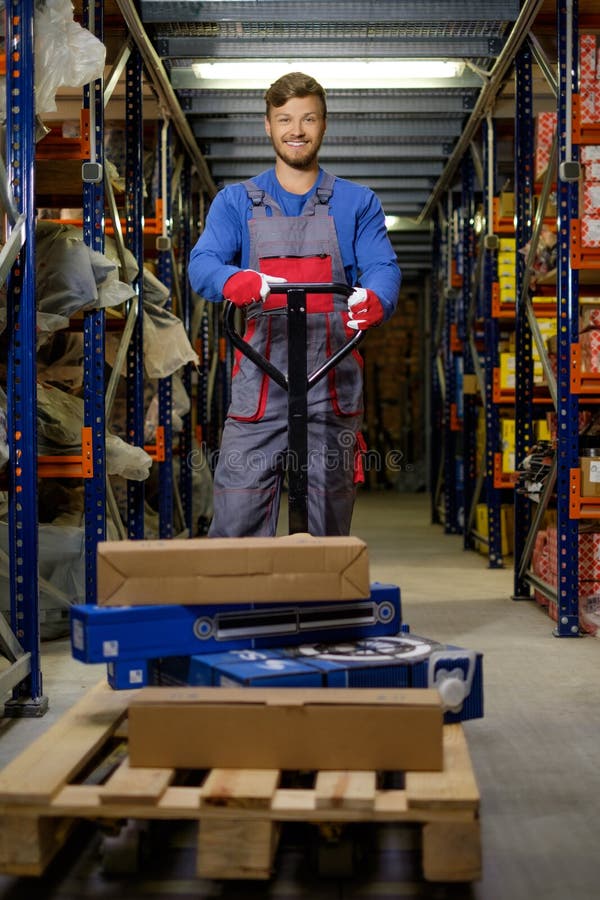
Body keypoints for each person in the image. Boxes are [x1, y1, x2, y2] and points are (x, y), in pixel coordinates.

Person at [188, 71, 401, 537]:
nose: (296, 130)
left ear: (324, 125)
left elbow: (383, 266)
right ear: (268, 126)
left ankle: (320, 610)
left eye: (307, 118)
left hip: (332, 384)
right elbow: (201, 264)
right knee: (237, 521)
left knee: (328, 531)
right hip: (260, 392)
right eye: (284, 119)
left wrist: (378, 296)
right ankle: (245, 610)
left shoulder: (357, 203)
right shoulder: (234, 203)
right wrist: (232, 279)